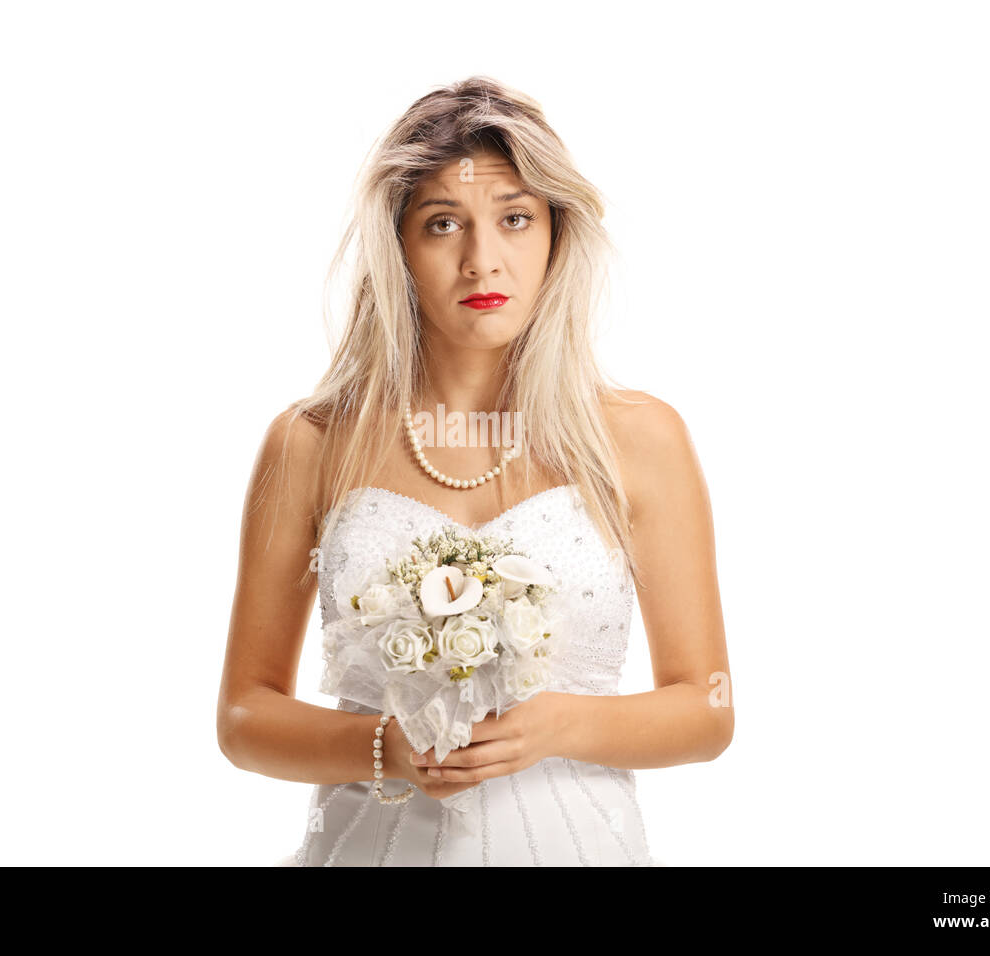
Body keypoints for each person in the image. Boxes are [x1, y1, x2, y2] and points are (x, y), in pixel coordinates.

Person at [216, 76, 733, 866]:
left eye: (515, 219)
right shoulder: (311, 443)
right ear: (398, 245)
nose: (481, 260)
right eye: (442, 224)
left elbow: (707, 709)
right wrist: (387, 748)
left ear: (556, 233)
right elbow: (245, 718)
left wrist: (561, 724)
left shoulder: (640, 438)